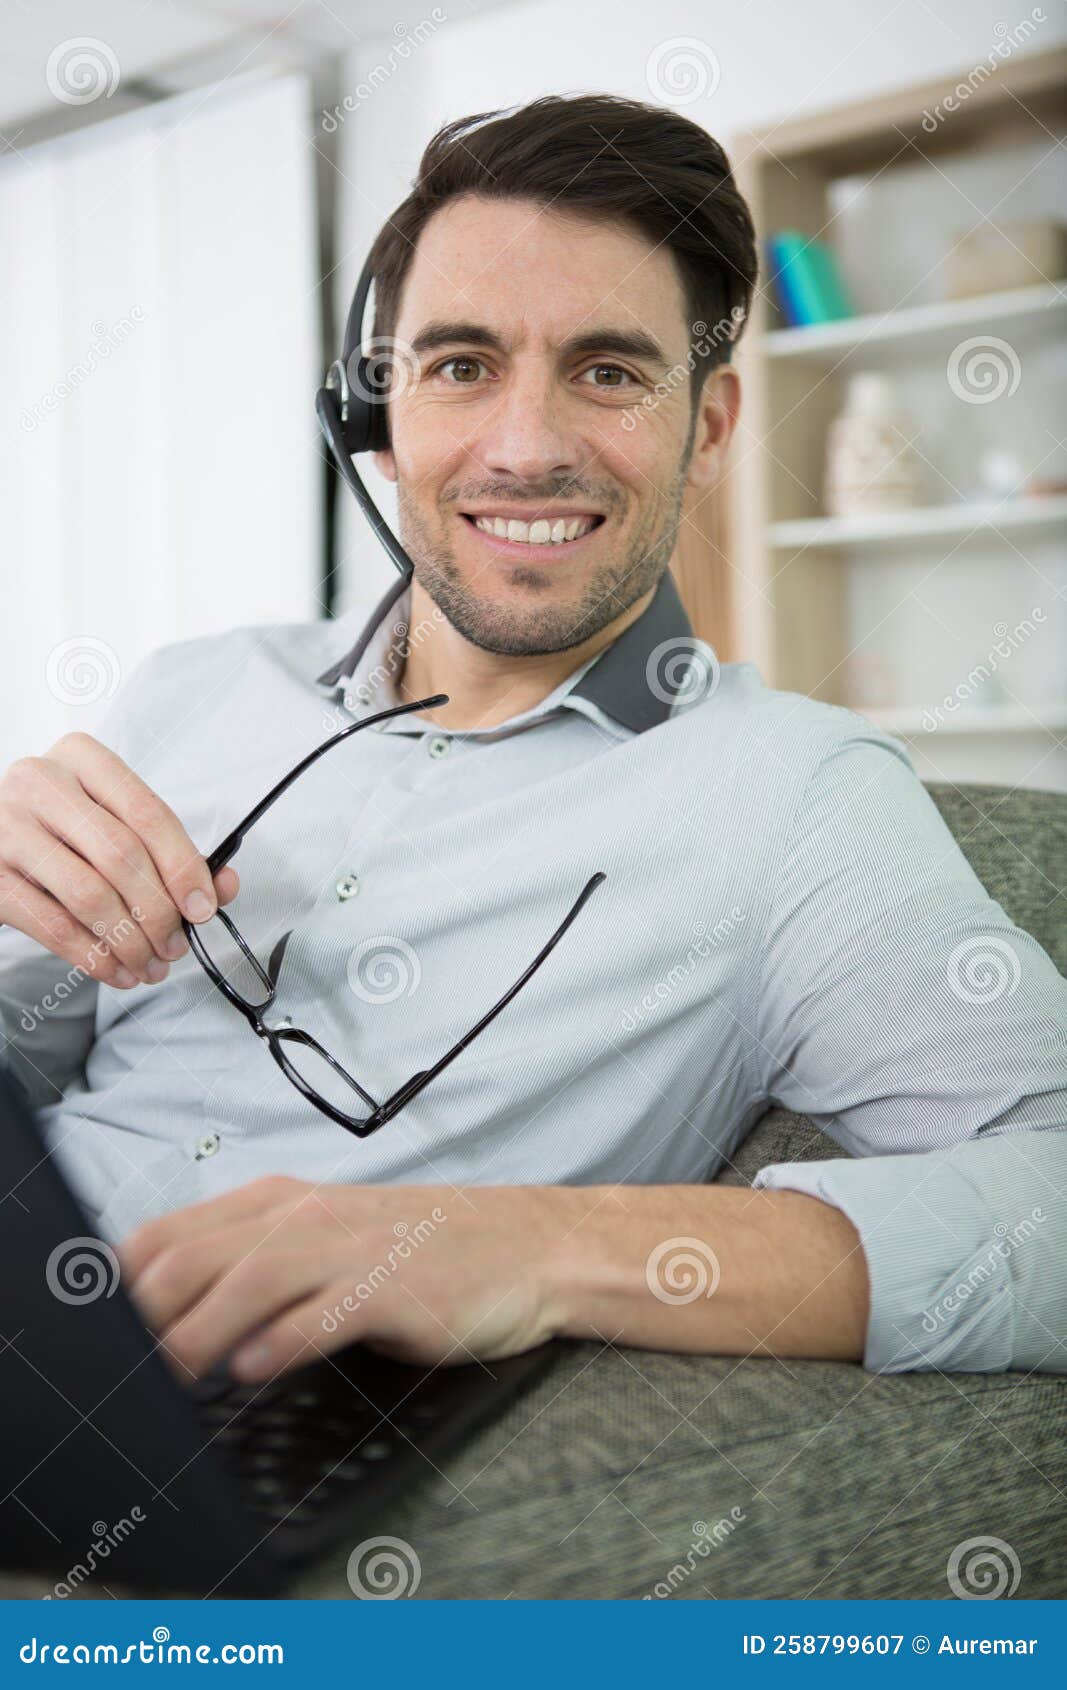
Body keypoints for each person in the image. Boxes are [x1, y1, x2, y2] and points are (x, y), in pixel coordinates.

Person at [1, 96, 1063, 1390]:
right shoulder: (191, 689)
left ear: (711, 425)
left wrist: (539, 1243)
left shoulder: (795, 796)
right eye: (461, 365)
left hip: (206, 1417)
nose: (528, 448)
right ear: (375, 418)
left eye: (608, 371)